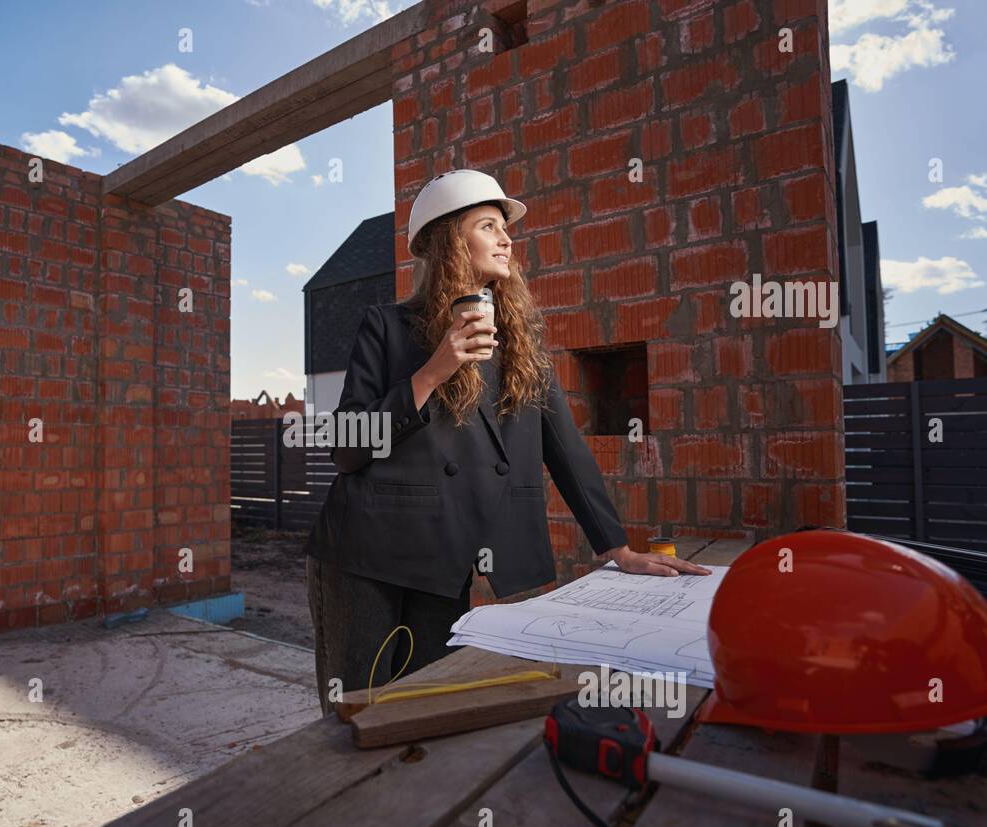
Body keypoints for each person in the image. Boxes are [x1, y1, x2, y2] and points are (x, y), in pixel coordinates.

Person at [304, 169, 709, 717]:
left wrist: (616, 547)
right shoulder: (387, 326)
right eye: (488, 225)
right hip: (364, 552)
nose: (506, 238)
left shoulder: (521, 340)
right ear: (450, 241)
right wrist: (433, 372)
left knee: (423, 704)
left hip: (446, 561)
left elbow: (564, 446)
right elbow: (348, 448)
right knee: (358, 710)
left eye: (505, 228)